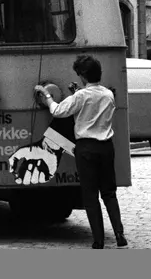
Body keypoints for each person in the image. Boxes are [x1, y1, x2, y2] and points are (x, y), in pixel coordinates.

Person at [34, 55, 127, 249]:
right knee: (109, 193)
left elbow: (58, 111)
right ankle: (119, 235)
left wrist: (47, 96)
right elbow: (93, 104)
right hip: (106, 147)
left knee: (90, 195)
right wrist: (77, 92)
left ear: (83, 75)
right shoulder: (108, 95)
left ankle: (98, 240)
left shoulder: (80, 96)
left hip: (86, 148)